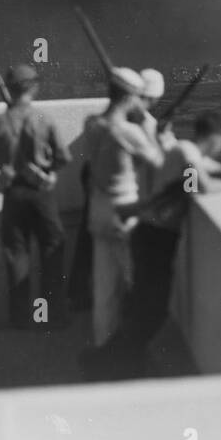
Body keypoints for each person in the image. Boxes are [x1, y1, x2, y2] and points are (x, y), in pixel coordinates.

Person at [127, 112, 221, 366]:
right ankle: (122, 359)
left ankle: (125, 356)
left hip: (151, 232)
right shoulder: (186, 152)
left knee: (146, 301)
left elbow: (201, 172)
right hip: (156, 235)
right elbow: (198, 186)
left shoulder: (183, 150)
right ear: (217, 137)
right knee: (154, 304)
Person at [80, 67, 166, 362]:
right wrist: (152, 132)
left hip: (98, 210)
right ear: (130, 97)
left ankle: (104, 347)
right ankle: (132, 351)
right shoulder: (128, 132)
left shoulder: (92, 124)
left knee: (104, 287)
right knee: (134, 283)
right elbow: (159, 163)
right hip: (124, 213)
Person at [0, 65, 70, 328]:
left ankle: (20, 317)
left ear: (9, 89)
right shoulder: (44, 118)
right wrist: (49, 172)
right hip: (41, 193)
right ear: (34, 87)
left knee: (16, 253)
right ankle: (51, 315)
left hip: (13, 194)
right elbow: (63, 157)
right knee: (52, 248)